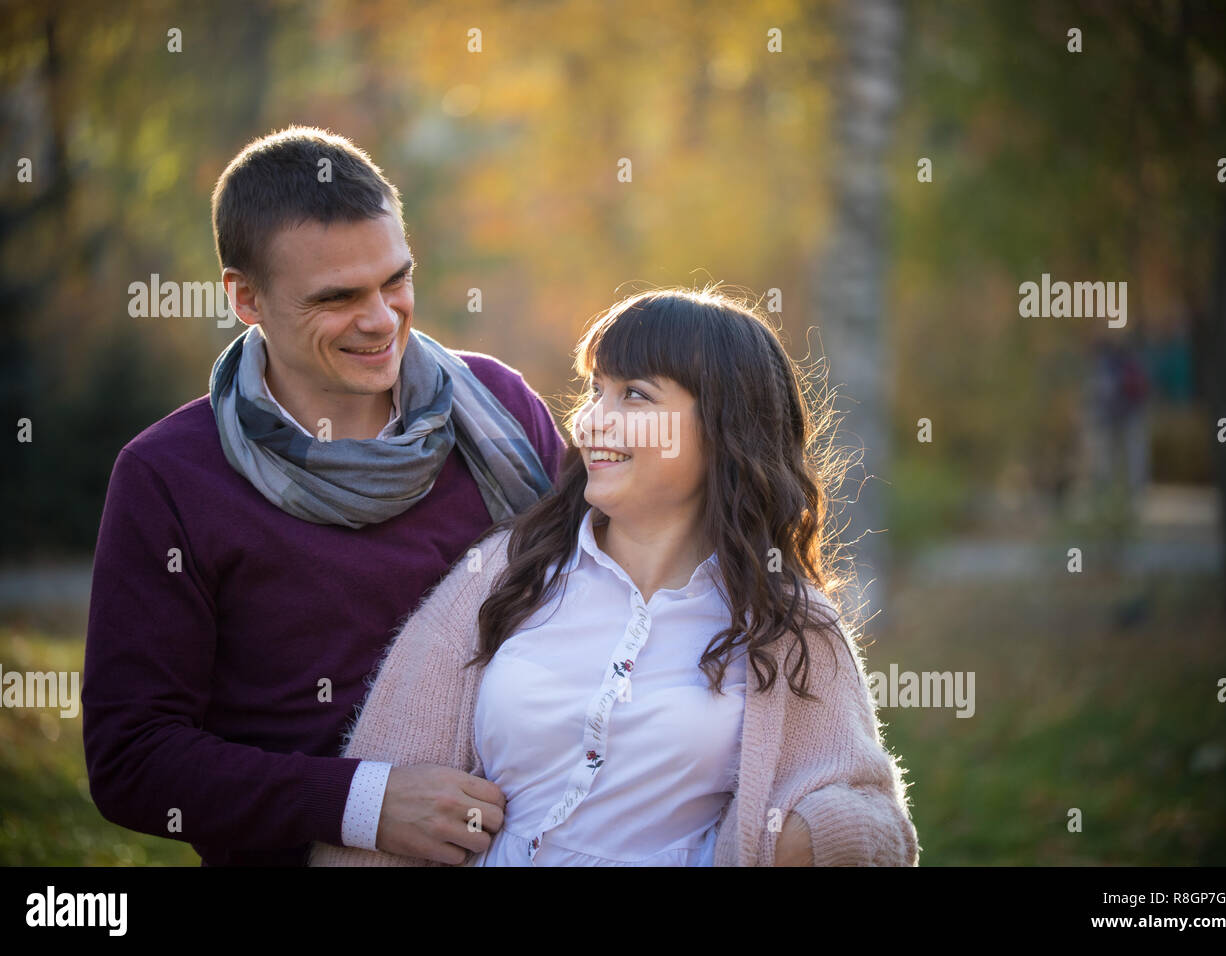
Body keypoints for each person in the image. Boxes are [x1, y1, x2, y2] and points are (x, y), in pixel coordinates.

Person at [81, 127, 565, 866]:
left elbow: (610, 597)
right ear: (245, 299)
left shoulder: (497, 406)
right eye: (337, 297)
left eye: (395, 280)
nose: (380, 319)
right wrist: (360, 804)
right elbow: (134, 760)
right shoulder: (169, 476)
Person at [310, 289, 920, 866]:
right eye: (595, 390)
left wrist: (808, 838)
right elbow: (390, 789)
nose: (591, 422)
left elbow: (872, 813)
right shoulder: (503, 571)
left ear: (723, 425)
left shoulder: (788, 619)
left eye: (634, 395)